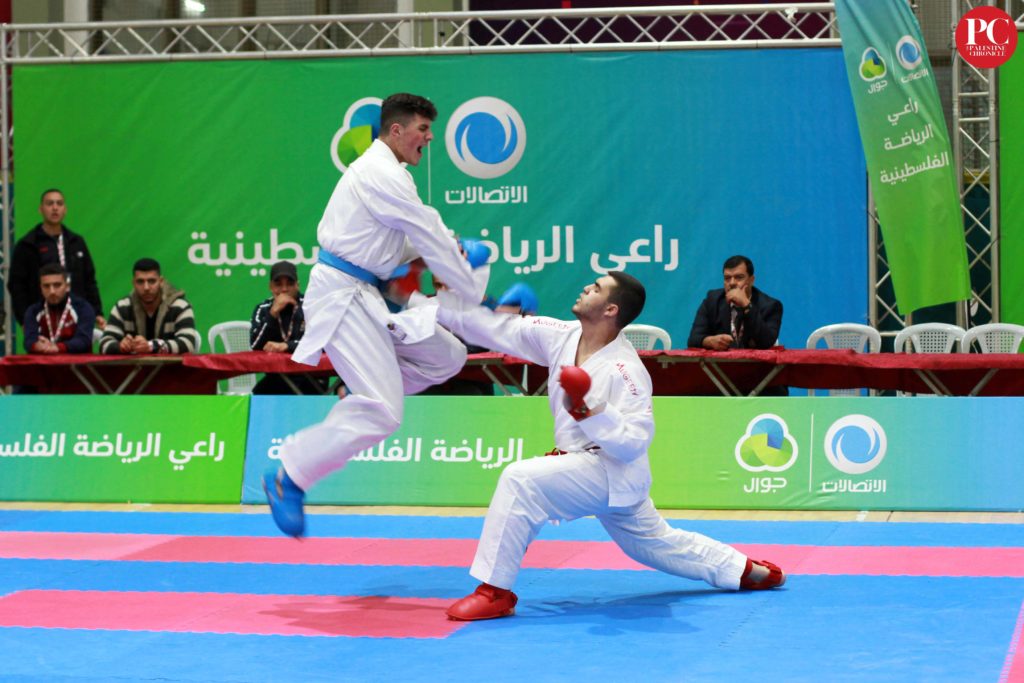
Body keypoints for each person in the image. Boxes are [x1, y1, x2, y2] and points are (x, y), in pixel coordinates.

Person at [433, 271, 785, 621]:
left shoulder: (627, 370)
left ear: (611, 309)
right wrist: (446, 301)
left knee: (519, 480)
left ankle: (495, 592)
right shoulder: (563, 335)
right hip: (585, 467)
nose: (586, 287)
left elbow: (634, 442)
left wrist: (588, 411)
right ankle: (746, 570)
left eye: (597, 288)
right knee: (657, 544)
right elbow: (499, 331)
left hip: (612, 469)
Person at [262, 93, 489, 538]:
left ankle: (363, 392)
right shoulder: (378, 171)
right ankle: (289, 474)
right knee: (385, 412)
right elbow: (423, 229)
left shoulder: (392, 175)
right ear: (397, 130)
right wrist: (458, 266)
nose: (430, 138)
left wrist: (444, 247)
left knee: (449, 356)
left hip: (366, 292)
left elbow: (401, 241)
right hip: (343, 294)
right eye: (423, 129)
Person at [7, 189, 104, 330]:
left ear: (65, 209)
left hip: (76, 317)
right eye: (49, 203)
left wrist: (97, 312)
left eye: (59, 203)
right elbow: (17, 286)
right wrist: (25, 320)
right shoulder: (28, 245)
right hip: (42, 319)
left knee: (79, 350)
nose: (55, 208)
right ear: (41, 209)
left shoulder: (76, 242)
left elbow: (89, 280)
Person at [249, 260, 330, 395]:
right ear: (271, 287)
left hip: (311, 376)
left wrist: (287, 346)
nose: (284, 289)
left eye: (290, 284)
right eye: (278, 284)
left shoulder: (312, 305)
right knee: (258, 393)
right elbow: (256, 345)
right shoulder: (263, 309)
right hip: (278, 376)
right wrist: (273, 313)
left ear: (297, 285)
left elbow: (321, 342)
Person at [98, 258, 200, 355]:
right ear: (133, 283)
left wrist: (152, 346)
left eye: (151, 281)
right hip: (133, 371)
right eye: (140, 282)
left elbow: (188, 344)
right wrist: (120, 346)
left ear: (161, 281)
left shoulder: (180, 306)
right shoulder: (122, 307)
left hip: (170, 371)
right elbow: (103, 344)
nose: (146, 287)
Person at [687, 255, 782, 352]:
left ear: (751, 280)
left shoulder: (770, 306)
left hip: (756, 365)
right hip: (720, 364)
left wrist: (746, 304)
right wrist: (710, 341)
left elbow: (767, 342)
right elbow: (693, 339)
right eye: (727, 278)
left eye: (739, 277)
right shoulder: (712, 301)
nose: (732, 283)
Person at [23, 263, 95, 354]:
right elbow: (29, 340)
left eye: (57, 285)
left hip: (76, 365)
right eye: (46, 286)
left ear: (67, 286)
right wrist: (37, 345)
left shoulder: (83, 308)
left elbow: (84, 340)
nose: (52, 291)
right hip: (44, 365)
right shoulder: (33, 311)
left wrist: (58, 348)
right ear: (40, 288)